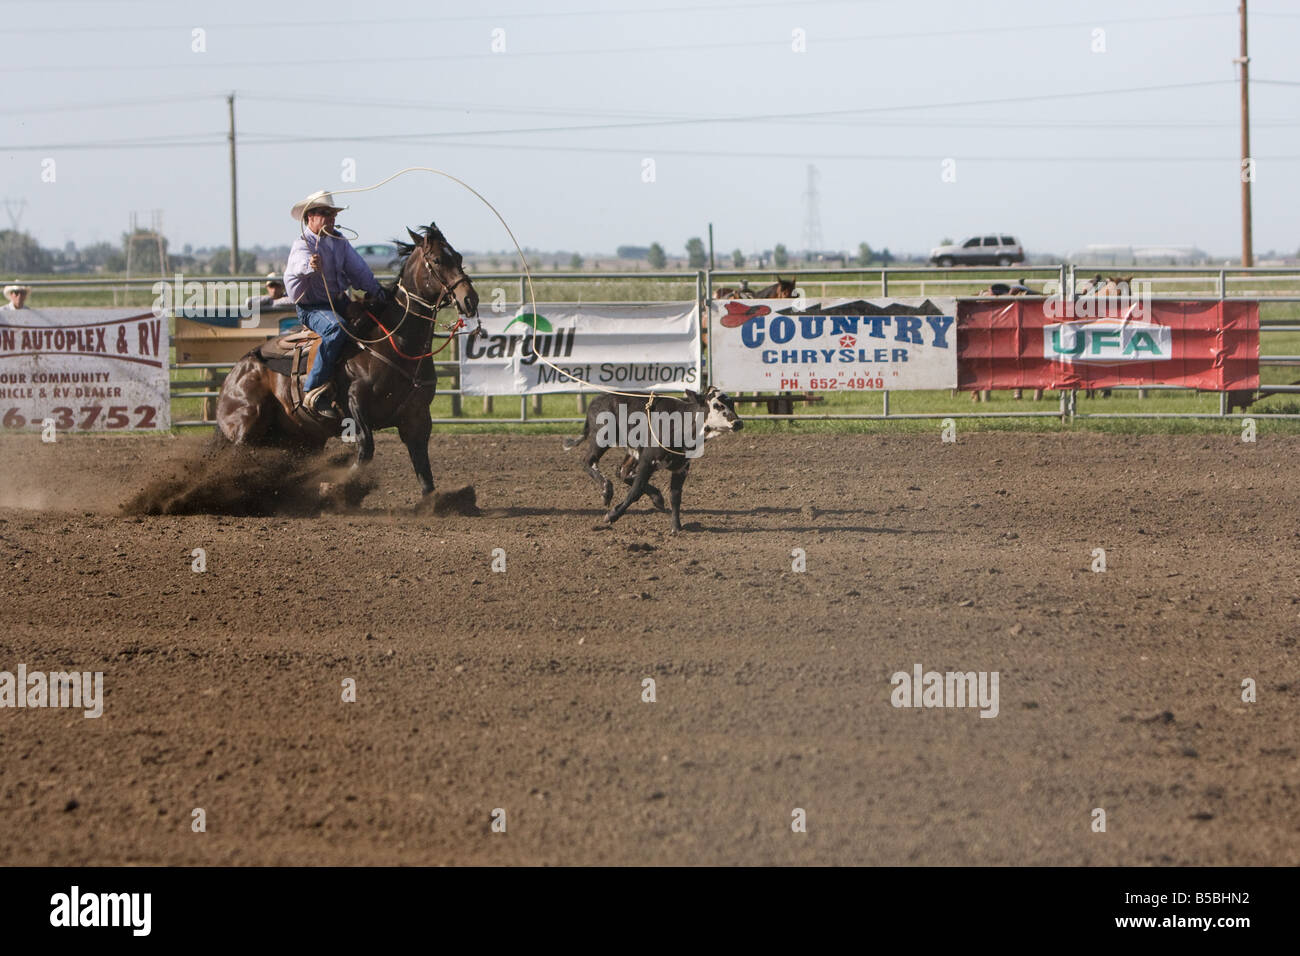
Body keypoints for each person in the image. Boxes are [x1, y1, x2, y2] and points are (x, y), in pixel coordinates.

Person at [283, 190, 382, 417]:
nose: (331, 218)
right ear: (310, 217)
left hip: (338, 301)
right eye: (325, 213)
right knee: (336, 328)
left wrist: (377, 291)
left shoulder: (339, 242)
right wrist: (310, 265)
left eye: (333, 214)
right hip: (312, 307)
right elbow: (297, 266)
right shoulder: (302, 244)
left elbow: (358, 269)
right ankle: (314, 389)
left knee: (371, 322)